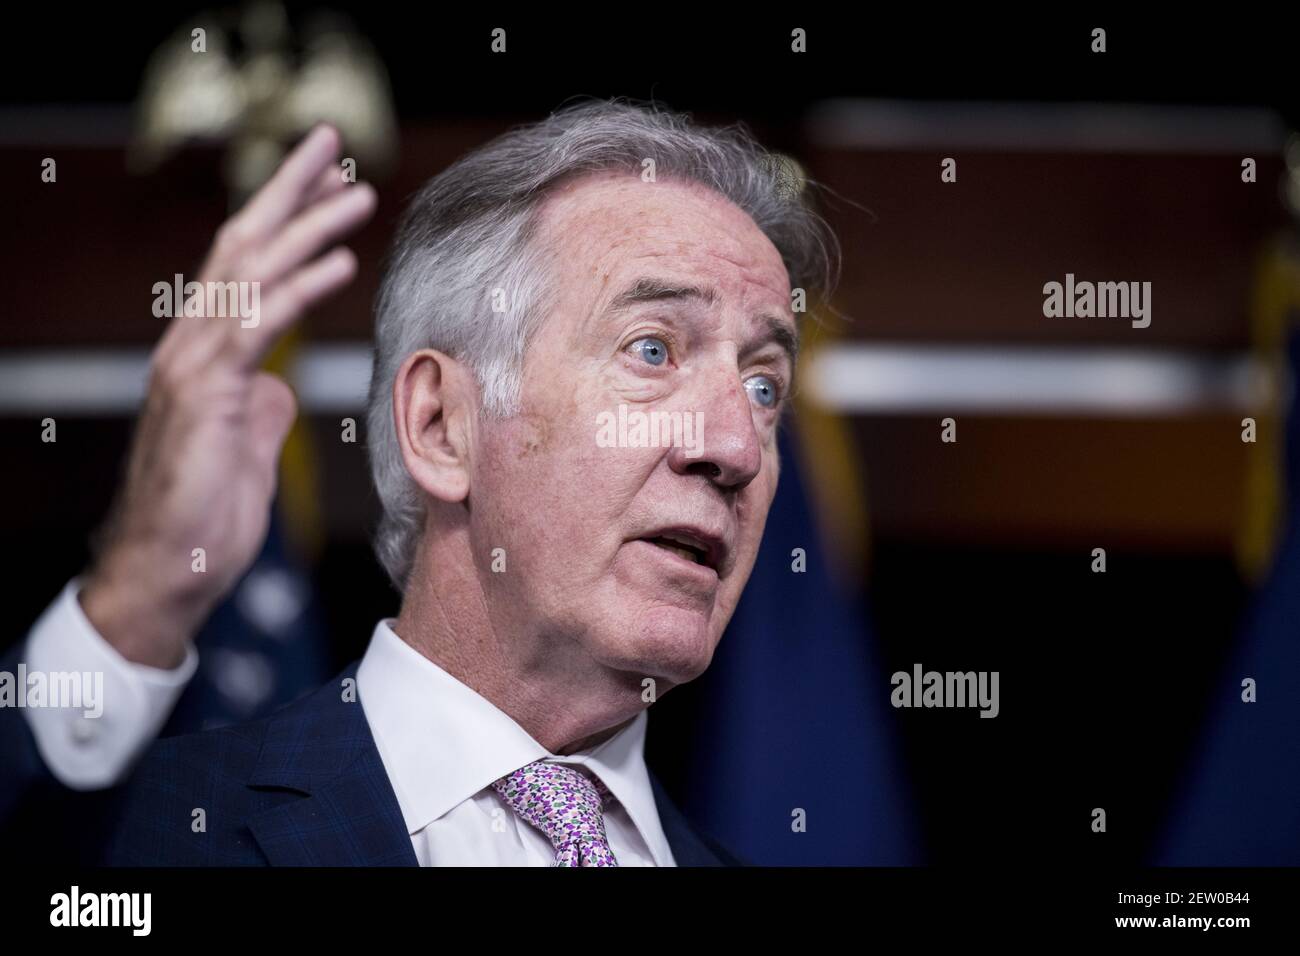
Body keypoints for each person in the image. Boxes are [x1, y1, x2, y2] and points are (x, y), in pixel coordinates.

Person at [19, 98, 837, 866]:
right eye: (653, 349)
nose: (735, 446)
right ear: (443, 425)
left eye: (765, 386)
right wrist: (140, 595)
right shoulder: (160, 829)